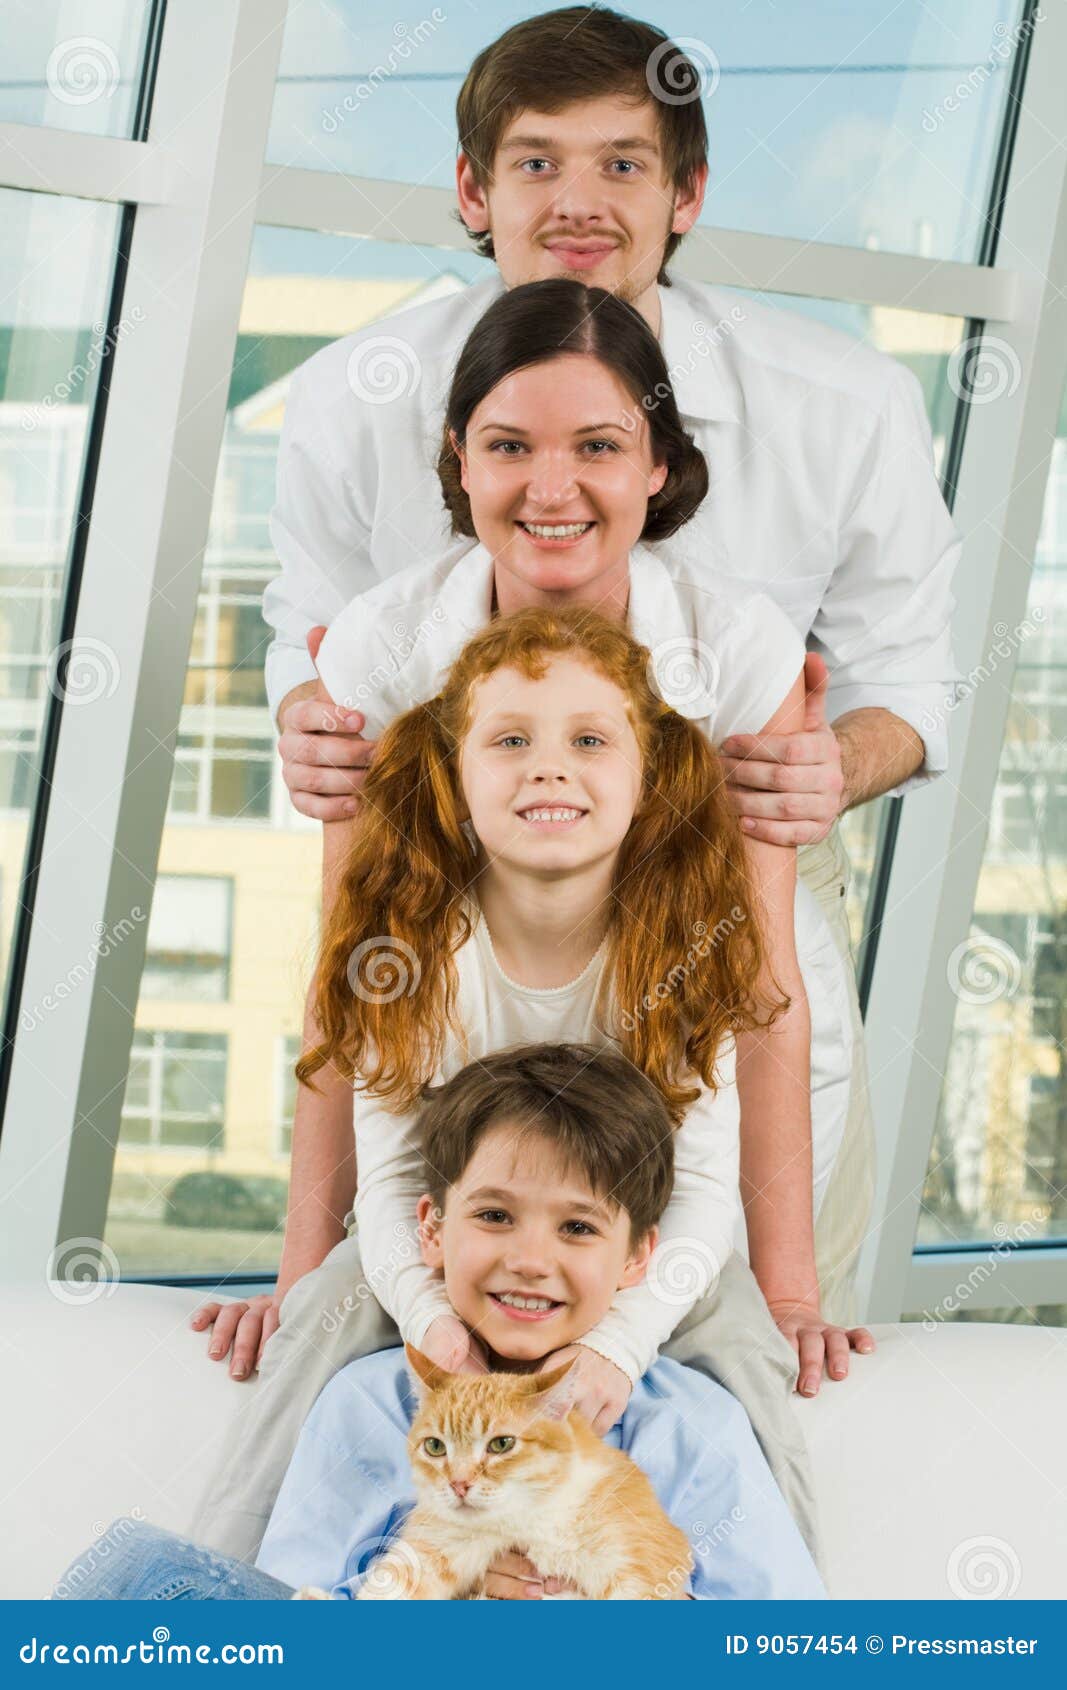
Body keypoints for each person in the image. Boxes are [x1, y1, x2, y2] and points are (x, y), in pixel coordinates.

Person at [261, 6, 960, 1347]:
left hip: (734, 869)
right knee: (445, 1320)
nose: (577, 201)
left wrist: (828, 762)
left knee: (739, 1340)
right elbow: (314, 673)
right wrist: (311, 727)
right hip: (439, 892)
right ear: (471, 190)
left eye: (623, 164)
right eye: (534, 164)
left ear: (686, 190)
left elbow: (910, 687)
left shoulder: (841, 401)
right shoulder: (353, 399)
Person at [190, 605, 852, 1563]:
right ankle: (228, 1599)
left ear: (646, 777)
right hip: (449, 1243)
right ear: (455, 779)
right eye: (509, 741)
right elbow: (389, 1183)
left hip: (635, 1246)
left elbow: (704, 1193)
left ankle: (796, 1633)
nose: (549, 767)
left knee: (746, 1352)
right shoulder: (409, 943)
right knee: (323, 1316)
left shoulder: (683, 940)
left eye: (589, 740)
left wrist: (616, 1348)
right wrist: (431, 1325)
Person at [54, 1046, 826, 1601]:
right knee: (146, 1587)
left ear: (638, 1259)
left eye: (578, 1229)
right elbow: (294, 1598)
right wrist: (451, 1589)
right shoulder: (372, 1401)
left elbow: (776, 1629)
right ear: (429, 1230)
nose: (530, 1260)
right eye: (494, 1216)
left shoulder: (689, 1425)